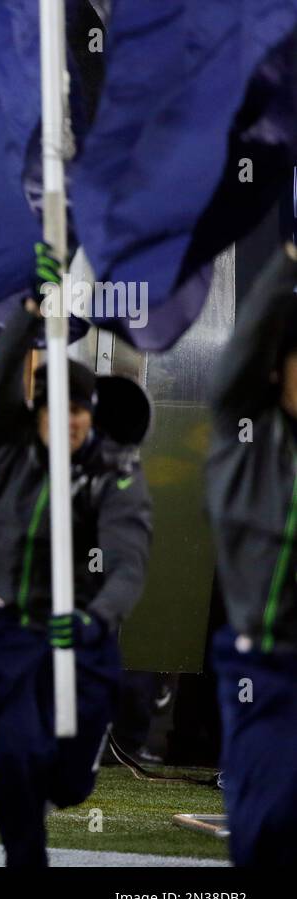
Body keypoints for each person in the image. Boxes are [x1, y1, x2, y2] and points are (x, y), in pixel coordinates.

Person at [0, 245, 152, 867]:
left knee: (70, 782)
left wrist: (98, 618)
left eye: (83, 411)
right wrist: (29, 307)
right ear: (39, 411)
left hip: (84, 632)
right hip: (11, 632)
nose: (73, 421)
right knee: (16, 756)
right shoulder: (3, 440)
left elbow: (129, 559)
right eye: (62, 409)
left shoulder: (112, 471)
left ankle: (72, 772)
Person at [204, 241, 297, 867]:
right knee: (267, 829)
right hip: (267, 672)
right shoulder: (250, 443)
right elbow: (235, 368)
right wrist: (289, 257)